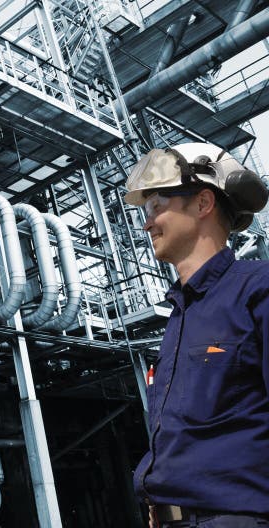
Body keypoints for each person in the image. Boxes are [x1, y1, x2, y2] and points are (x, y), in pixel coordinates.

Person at [125, 143, 269, 527]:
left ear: (203, 203)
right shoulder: (181, 316)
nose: (147, 222)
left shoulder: (258, 289)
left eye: (157, 207)